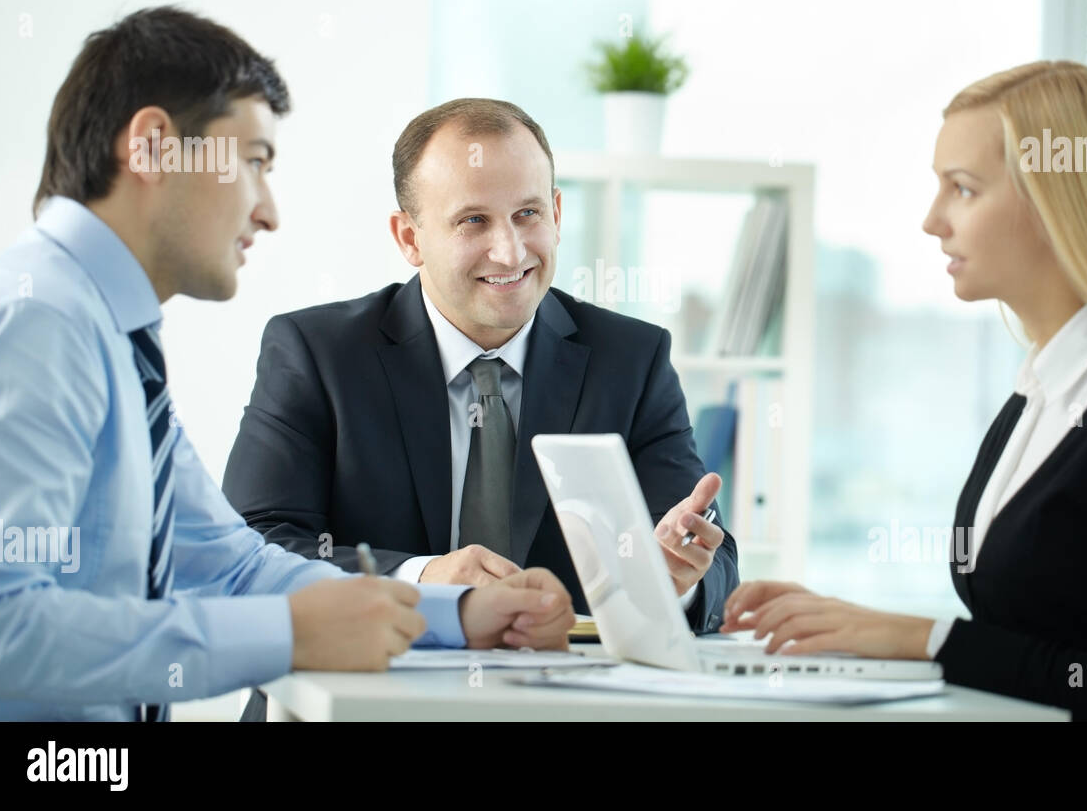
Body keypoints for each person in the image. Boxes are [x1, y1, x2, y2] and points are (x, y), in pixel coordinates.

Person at [0, 8, 575, 722]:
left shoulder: (104, 331)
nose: (268, 211)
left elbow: (232, 565)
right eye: (255, 162)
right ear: (155, 147)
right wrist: (291, 635)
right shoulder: (37, 322)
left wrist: (456, 613)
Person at [721, 60, 1087, 721]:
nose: (932, 220)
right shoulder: (1043, 391)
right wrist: (875, 631)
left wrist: (920, 639)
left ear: (1055, 202)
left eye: (963, 188)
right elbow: (1037, 648)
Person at [223, 97, 738, 634]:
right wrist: (419, 578)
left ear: (557, 215)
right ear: (409, 238)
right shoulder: (317, 353)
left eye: (528, 214)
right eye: (473, 221)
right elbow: (250, 546)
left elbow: (717, 570)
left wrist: (677, 581)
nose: (510, 253)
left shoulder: (632, 361)